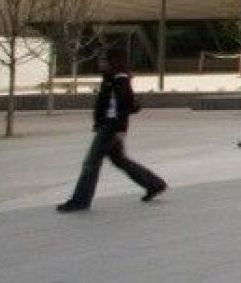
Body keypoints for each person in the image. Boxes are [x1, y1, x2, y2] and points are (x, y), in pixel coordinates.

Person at [57, 50, 167, 211]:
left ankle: (80, 201)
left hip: (111, 126)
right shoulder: (110, 78)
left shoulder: (119, 79)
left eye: (103, 60)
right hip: (107, 125)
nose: (100, 63)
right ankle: (155, 184)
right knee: (120, 160)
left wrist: (121, 128)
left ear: (113, 61)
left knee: (90, 163)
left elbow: (125, 104)